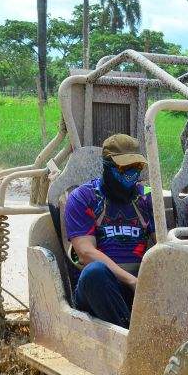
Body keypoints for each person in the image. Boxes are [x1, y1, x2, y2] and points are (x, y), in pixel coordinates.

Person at [63, 134, 154, 327]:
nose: (131, 174)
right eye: (124, 168)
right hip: (99, 290)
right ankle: (130, 336)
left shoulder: (146, 198)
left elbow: (163, 245)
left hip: (140, 284)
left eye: (136, 167)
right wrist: (131, 281)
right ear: (107, 165)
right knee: (95, 272)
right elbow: (86, 253)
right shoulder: (84, 197)